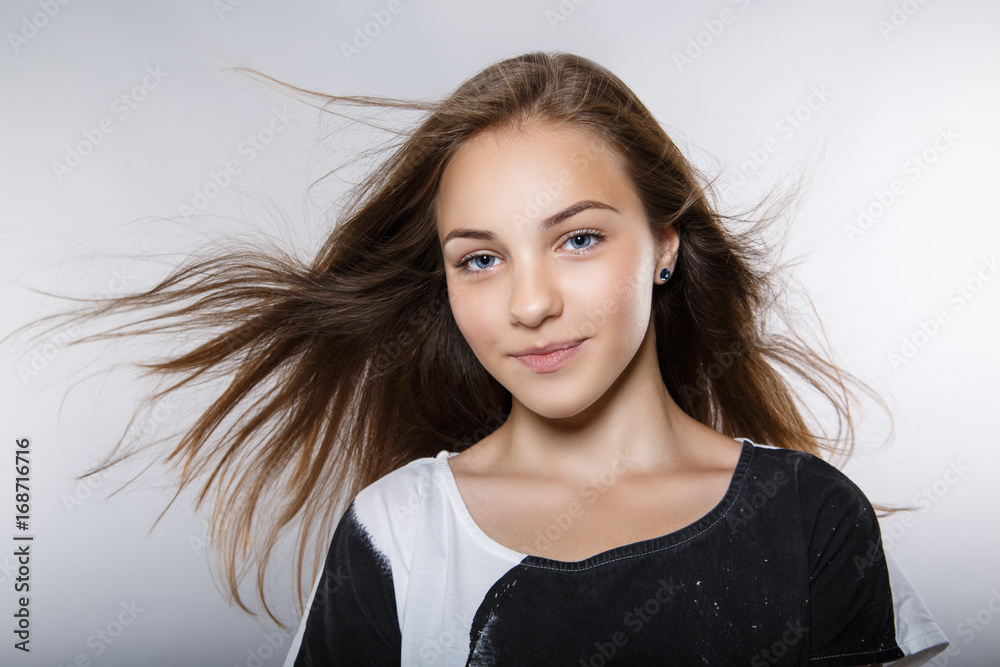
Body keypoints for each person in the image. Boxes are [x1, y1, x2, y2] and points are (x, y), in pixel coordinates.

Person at [13, 51, 948, 665]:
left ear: (665, 243)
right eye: (481, 258)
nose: (530, 301)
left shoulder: (812, 520)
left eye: (578, 239)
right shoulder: (398, 538)